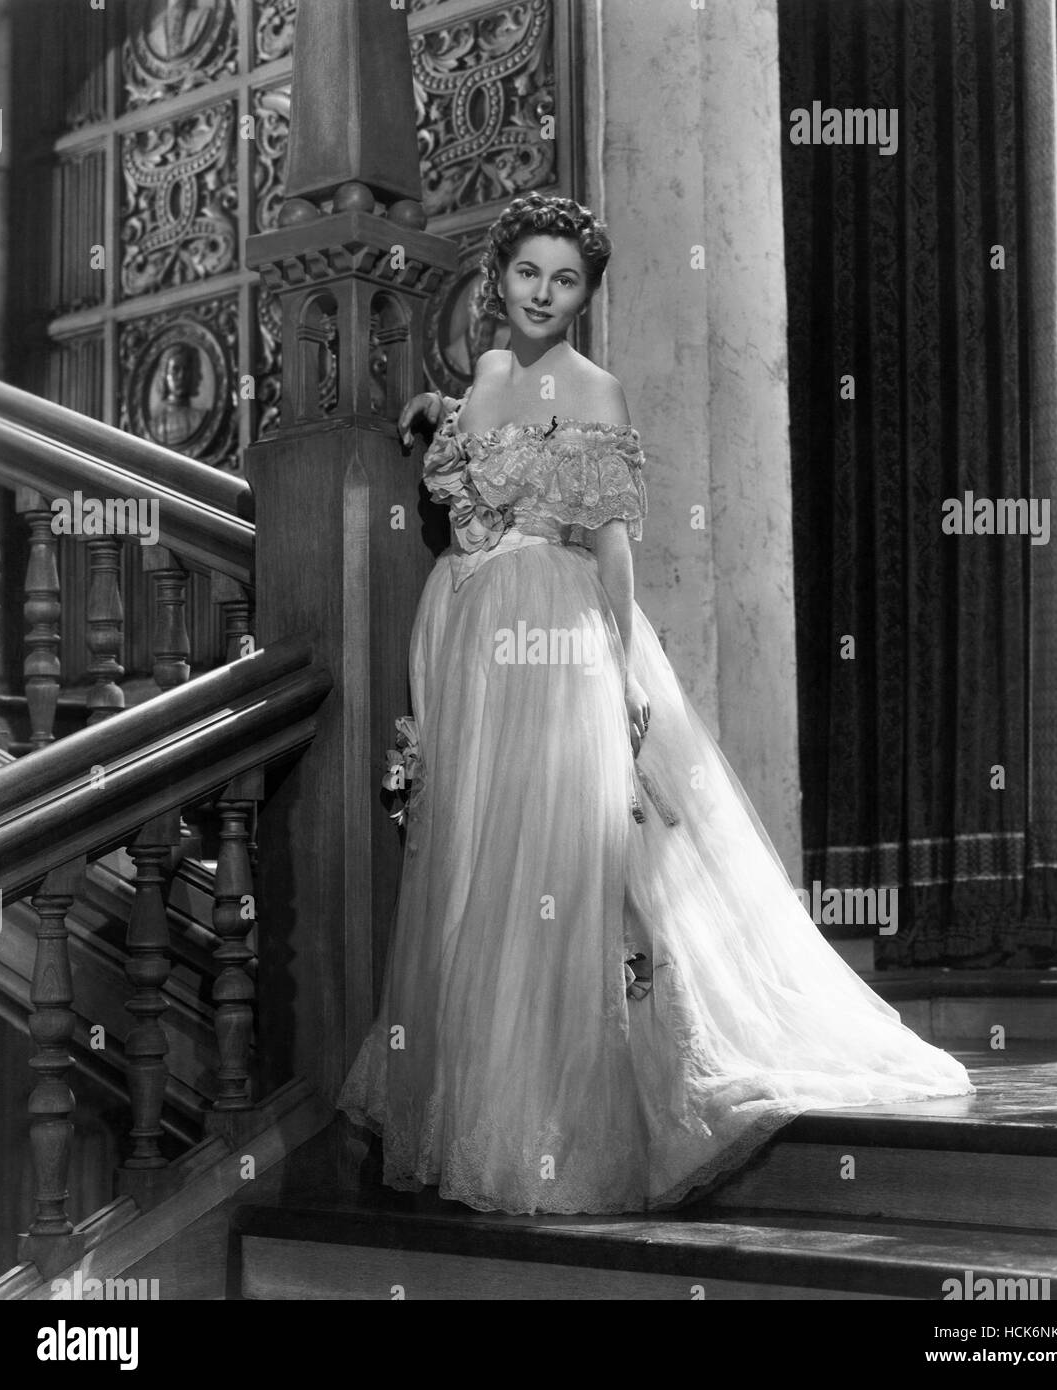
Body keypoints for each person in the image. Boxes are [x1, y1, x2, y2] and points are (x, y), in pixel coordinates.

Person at [337, 192, 972, 1215]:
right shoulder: (491, 373)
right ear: (498, 277)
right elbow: (481, 447)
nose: (543, 294)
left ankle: (548, 1127)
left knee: (556, 869)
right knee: (480, 872)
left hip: (555, 642)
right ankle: (484, 1100)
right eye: (528, 273)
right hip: (469, 648)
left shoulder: (598, 393)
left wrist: (623, 684)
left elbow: (614, 557)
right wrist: (435, 414)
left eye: (566, 280)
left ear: (587, 293)